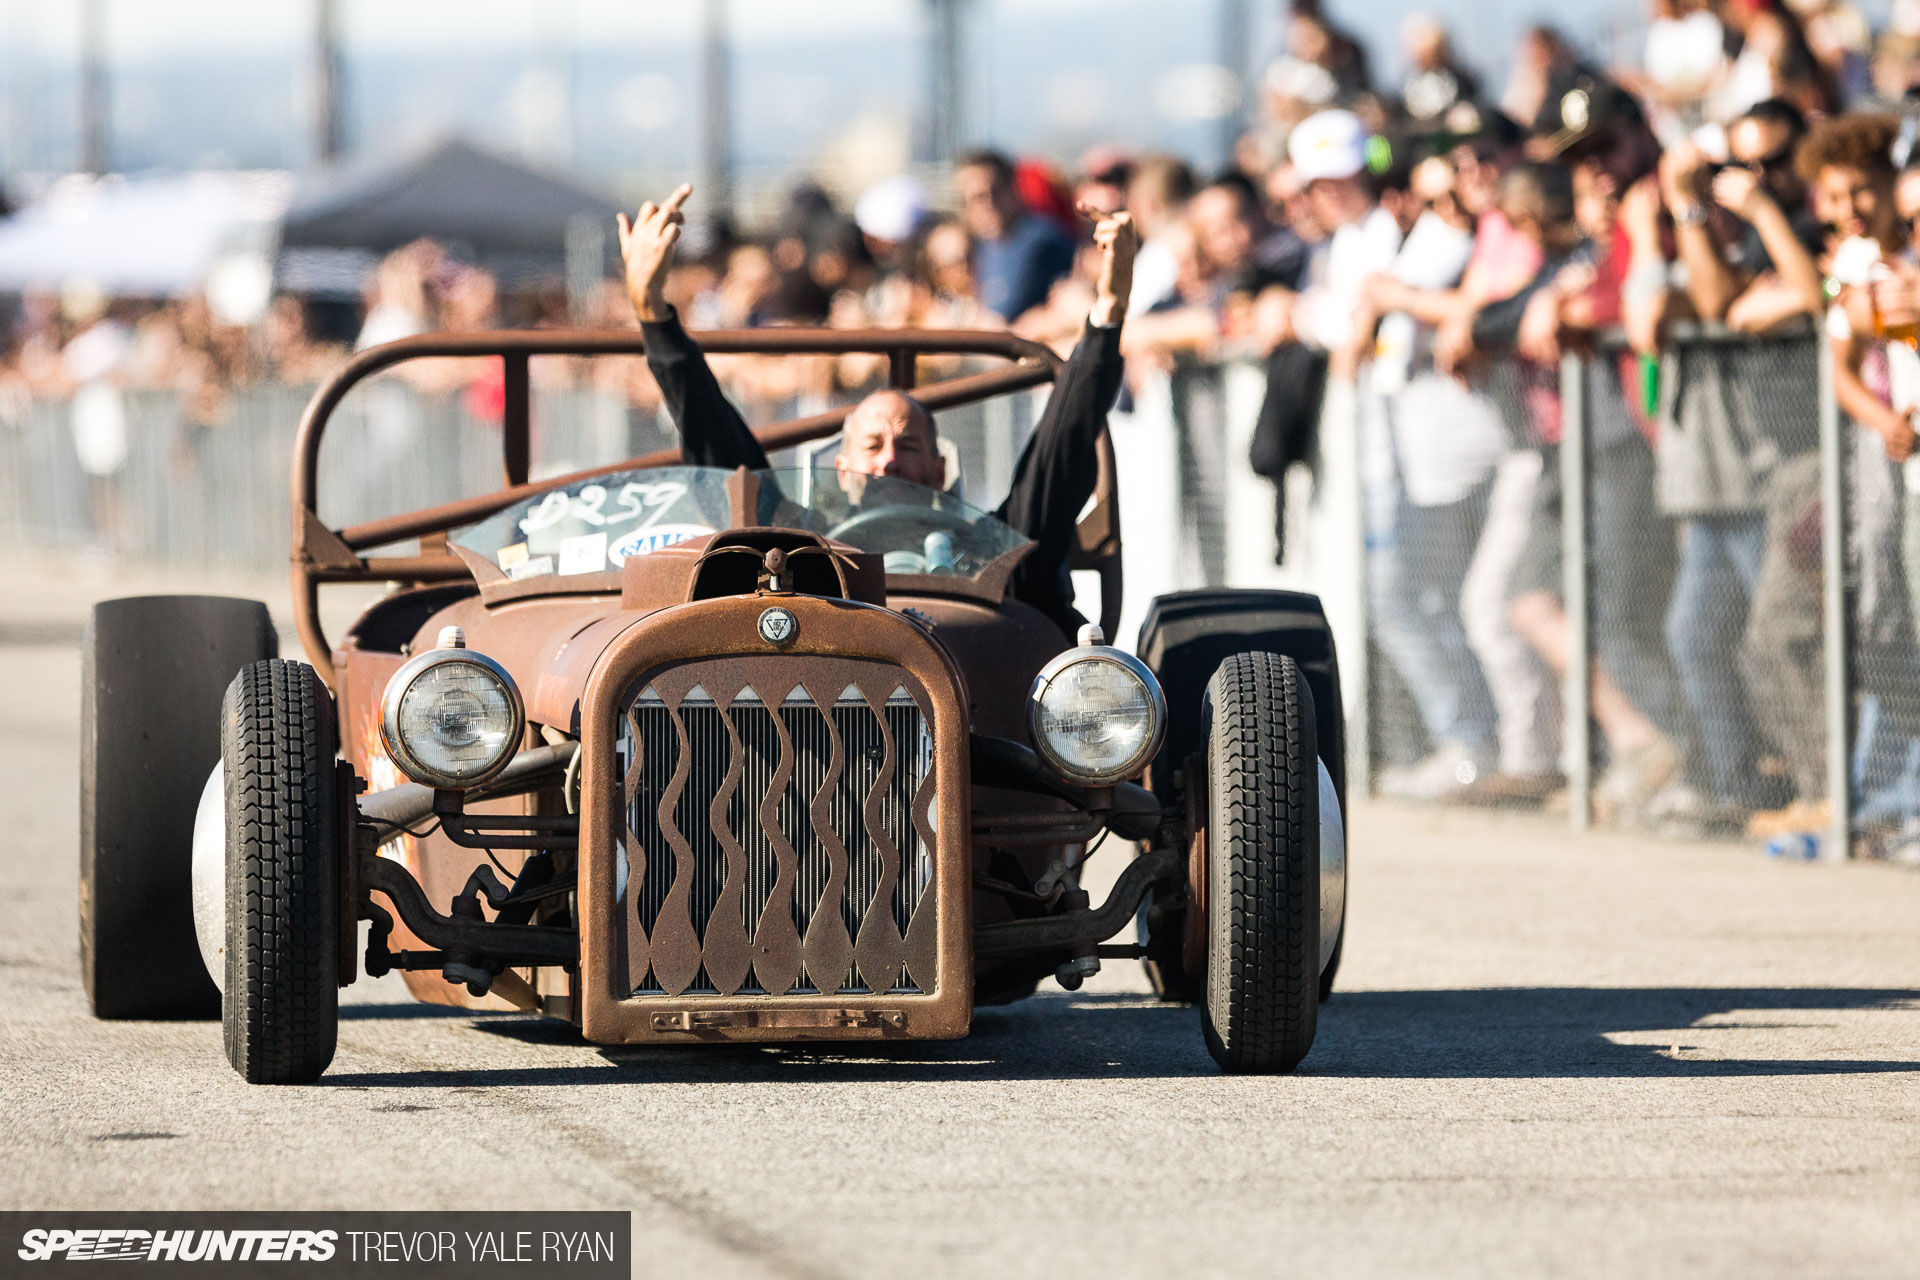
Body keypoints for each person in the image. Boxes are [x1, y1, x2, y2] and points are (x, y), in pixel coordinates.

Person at [617, 184, 1138, 638]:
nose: (889, 461)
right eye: (871, 446)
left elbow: (1059, 452)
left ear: (939, 471)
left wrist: (1108, 311)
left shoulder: (992, 558)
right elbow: (723, 451)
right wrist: (654, 316)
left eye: (907, 446)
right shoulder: (801, 564)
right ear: (841, 471)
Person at [952, 150, 1078, 325]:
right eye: (978, 198)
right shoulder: (978, 246)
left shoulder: (1043, 242)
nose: (989, 204)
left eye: (995, 191)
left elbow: (1009, 315)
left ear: (1013, 187)